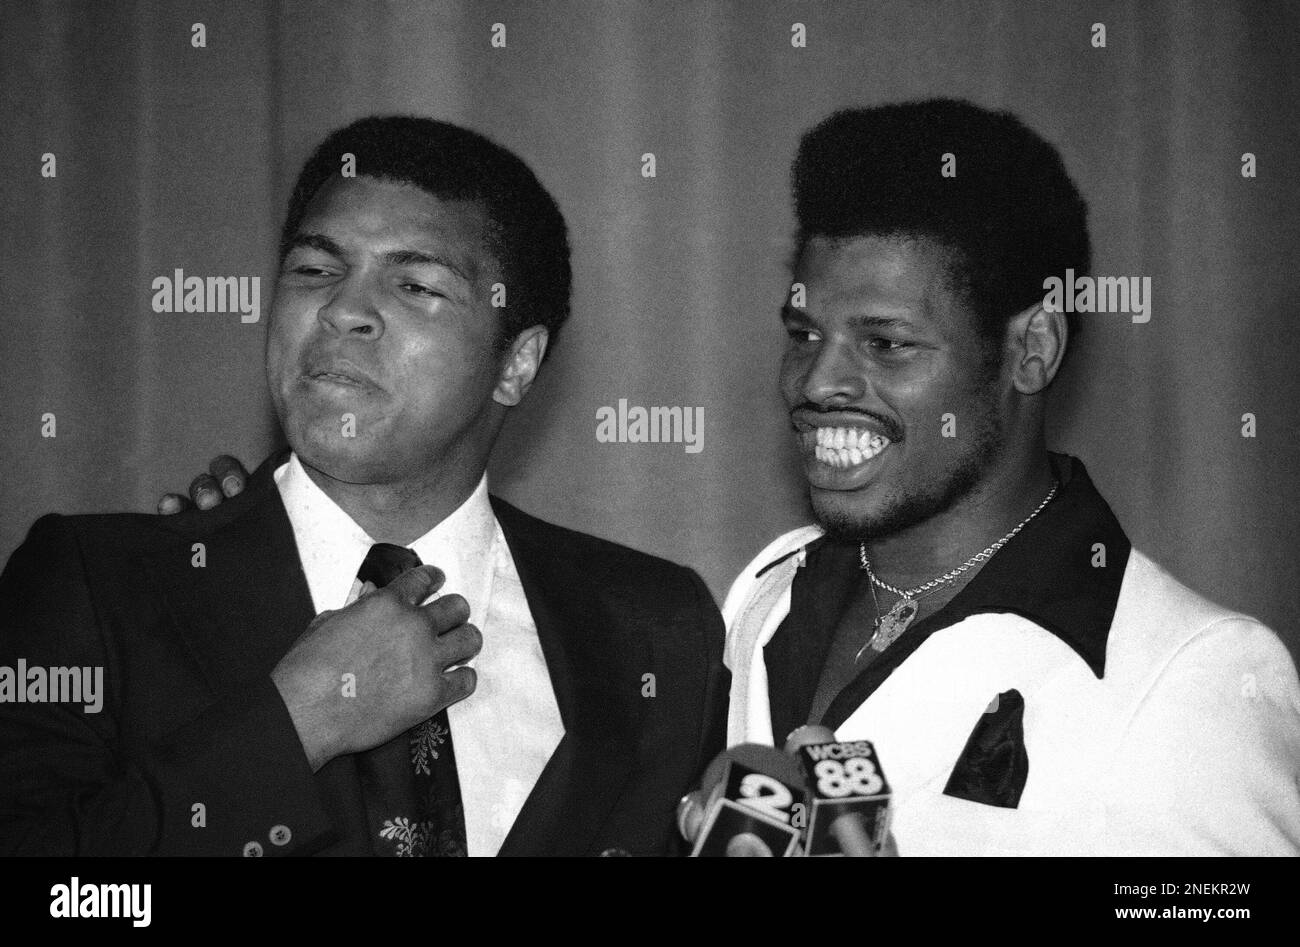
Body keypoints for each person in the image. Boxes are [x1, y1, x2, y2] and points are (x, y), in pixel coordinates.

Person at [0, 116, 728, 857]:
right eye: (315, 271)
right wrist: (294, 722)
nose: (344, 310)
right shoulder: (95, 585)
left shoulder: (657, 633)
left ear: (517, 362)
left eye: (415, 285)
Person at [722, 99, 1300, 855]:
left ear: (1032, 350)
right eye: (804, 334)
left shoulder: (1192, 677)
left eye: (886, 343)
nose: (818, 380)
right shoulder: (768, 590)